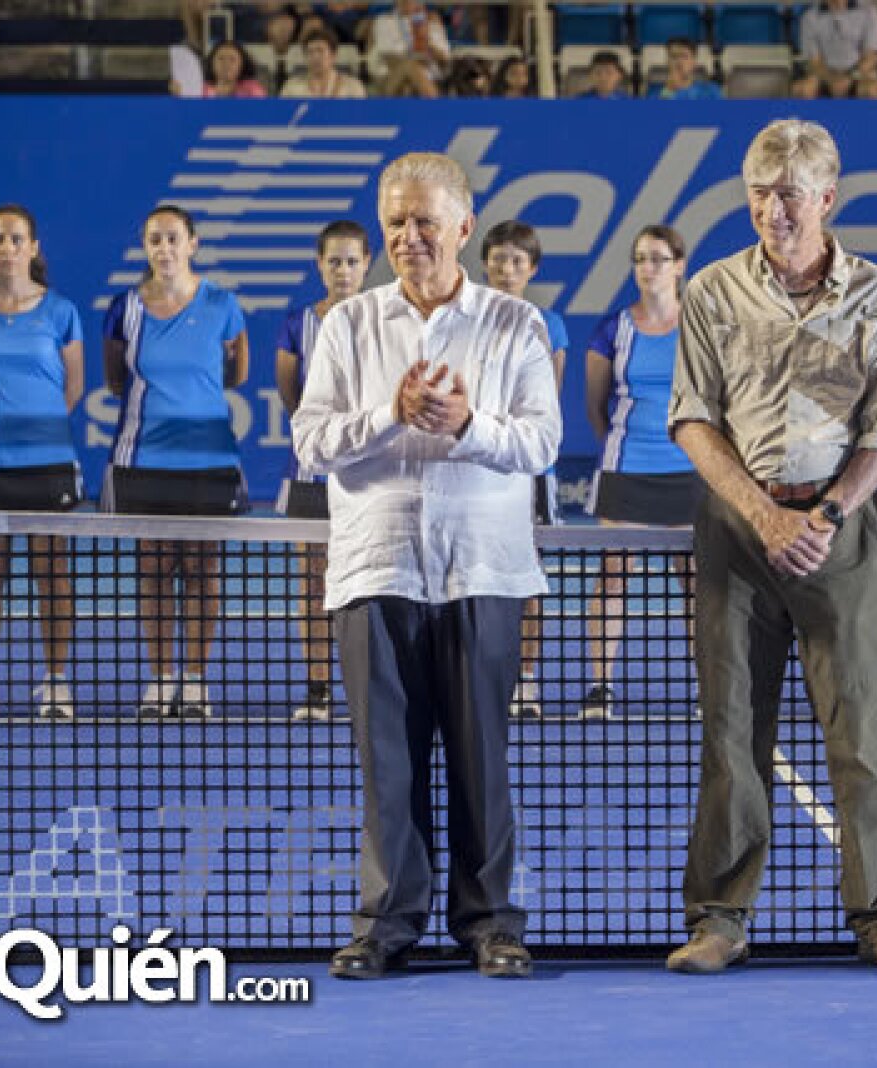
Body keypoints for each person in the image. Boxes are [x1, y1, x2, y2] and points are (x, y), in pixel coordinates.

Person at [666, 118, 877, 976]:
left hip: (843, 530)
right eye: (758, 191)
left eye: (789, 194)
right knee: (730, 733)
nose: (772, 210)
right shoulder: (711, 290)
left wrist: (820, 516)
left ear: (828, 197)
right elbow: (694, 419)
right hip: (737, 530)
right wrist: (763, 514)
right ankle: (720, 918)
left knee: (863, 730)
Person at [294, 152, 560, 981]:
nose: (409, 237)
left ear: (463, 227)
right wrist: (389, 414)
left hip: (484, 572)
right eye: (396, 223)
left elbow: (542, 443)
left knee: (483, 761)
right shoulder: (345, 325)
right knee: (389, 764)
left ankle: (490, 925)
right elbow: (309, 443)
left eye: (425, 221)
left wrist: (467, 422)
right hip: (375, 572)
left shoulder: (517, 326)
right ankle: (386, 922)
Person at [102, 205, 251, 719]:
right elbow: (116, 381)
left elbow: (235, 373)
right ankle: (160, 678)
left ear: (193, 243)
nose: (163, 249)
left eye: (172, 239)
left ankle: (195, 681)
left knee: (205, 572)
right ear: (145, 248)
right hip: (144, 460)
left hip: (209, 462)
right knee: (153, 570)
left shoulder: (223, 305)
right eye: (154, 240)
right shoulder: (125, 308)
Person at [0, 206, 85, 720]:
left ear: (33, 248)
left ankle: (56, 683)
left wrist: (38, 430)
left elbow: (74, 384)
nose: (8, 247)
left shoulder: (61, 311)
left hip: (49, 465)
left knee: (52, 575)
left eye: (17, 238)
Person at [581, 225, 702, 719]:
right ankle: (600, 688)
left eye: (657, 258)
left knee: (697, 579)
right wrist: (619, 446)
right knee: (614, 574)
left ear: (679, 265)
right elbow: (595, 406)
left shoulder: (699, 327)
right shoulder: (613, 330)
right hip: (628, 467)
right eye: (640, 259)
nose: (647, 267)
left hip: (689, 468)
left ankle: (706, 686)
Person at [276, 219, 371, 723]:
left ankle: (368, 687)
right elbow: (294, 400)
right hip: (311, 476)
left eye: (352, 261)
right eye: (334, 260)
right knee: (313, 583)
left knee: (368, 583)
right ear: (320, 265)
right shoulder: (298, 325)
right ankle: (318, 689)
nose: (343, 270)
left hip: (368, 478)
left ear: (366, 265)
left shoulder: (383, 319)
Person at [481, 219, 569, 718]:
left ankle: (526, 681)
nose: (507, 269)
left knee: (529, 577)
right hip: (478, 466)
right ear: (486, 264)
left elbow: (546, 404)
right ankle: (486, 672)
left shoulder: (548, 324)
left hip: (529, 471)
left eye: (517, 261)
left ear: (531, 268)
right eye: (498, 259)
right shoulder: (466, 315)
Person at [792, 0, 877, 100]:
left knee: (872, 90)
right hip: (824, 73)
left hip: (859, 72)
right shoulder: (809, 17)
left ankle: (866, 116)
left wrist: (850, 77)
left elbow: (870, 57)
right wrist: (831, 79)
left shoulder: (868, 11)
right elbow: (815, 61)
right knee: (802, 90)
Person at [369, 0, 450, 99]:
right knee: (410, 66)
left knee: (408, 87)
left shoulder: (431, 22)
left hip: (430, 77)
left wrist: (427, 43)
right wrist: (416, 60)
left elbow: (445, 58)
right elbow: (388, 57)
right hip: (392, 76)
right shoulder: (384, 21)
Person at [280, 26, 368, 98]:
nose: (315, 57)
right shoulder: (291, 87)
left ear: (333, 55)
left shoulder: (353, 87)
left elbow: (360, 118)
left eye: (320, 51)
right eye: (310, 52)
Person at [646, 36, 722, 99]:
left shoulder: (711, 91)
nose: (679, 62)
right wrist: (669, 89)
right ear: (667, 62)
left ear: (694, 62)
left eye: (684, 56)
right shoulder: (654, 92)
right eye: (674, 56)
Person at [203, 40, 269, 98]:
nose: (226, 64)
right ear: (211, 63)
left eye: (232, 59)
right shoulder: (201, 89)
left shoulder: (253, 89)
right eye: (221, 58)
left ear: (242, 64)